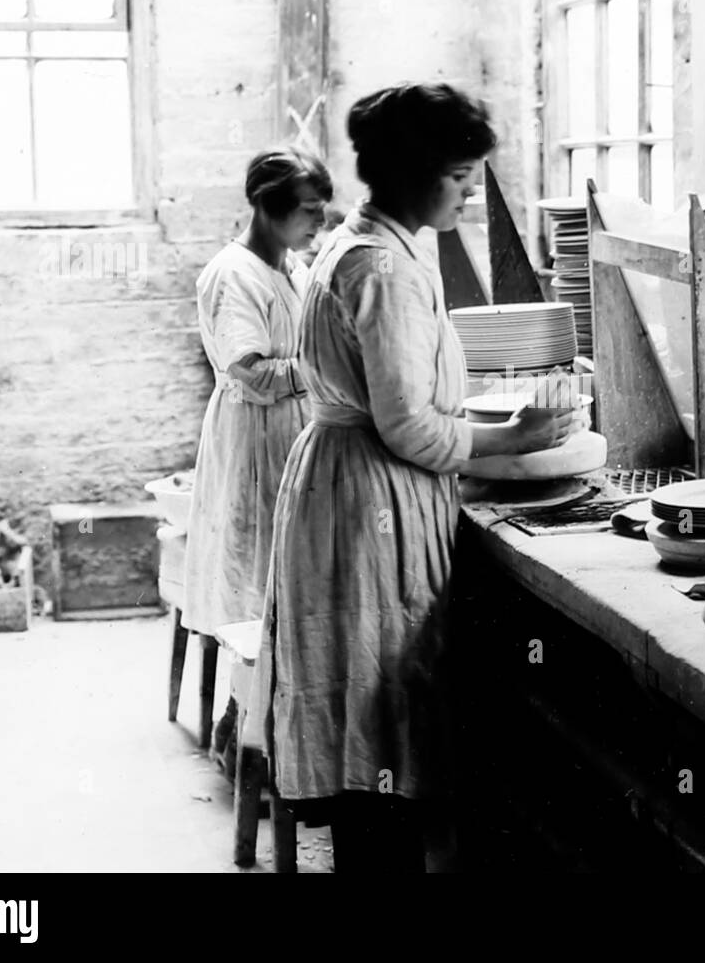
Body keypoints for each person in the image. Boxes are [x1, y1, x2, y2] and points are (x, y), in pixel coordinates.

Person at [259, 84, 576, 872]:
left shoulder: (361, 243)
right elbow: (407, 426)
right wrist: (517, 434)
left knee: (364, 706)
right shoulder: (384, 269)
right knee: (379, 708)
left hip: (343, 485)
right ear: (409, 172)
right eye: (461, 175)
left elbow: (394, 398)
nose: (472, 191)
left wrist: (493, 434)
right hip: (373, 499)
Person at [183, 145, 333, 771]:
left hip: (293, 432)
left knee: (284, 586)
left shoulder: (292, 267)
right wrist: (330, 369)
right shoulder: (233, 273)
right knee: (257, 589)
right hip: (255, 438)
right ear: (267, 209)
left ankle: (250, 735)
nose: (317, 226)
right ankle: (245, 747)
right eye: (307, 213)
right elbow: (254, 375)